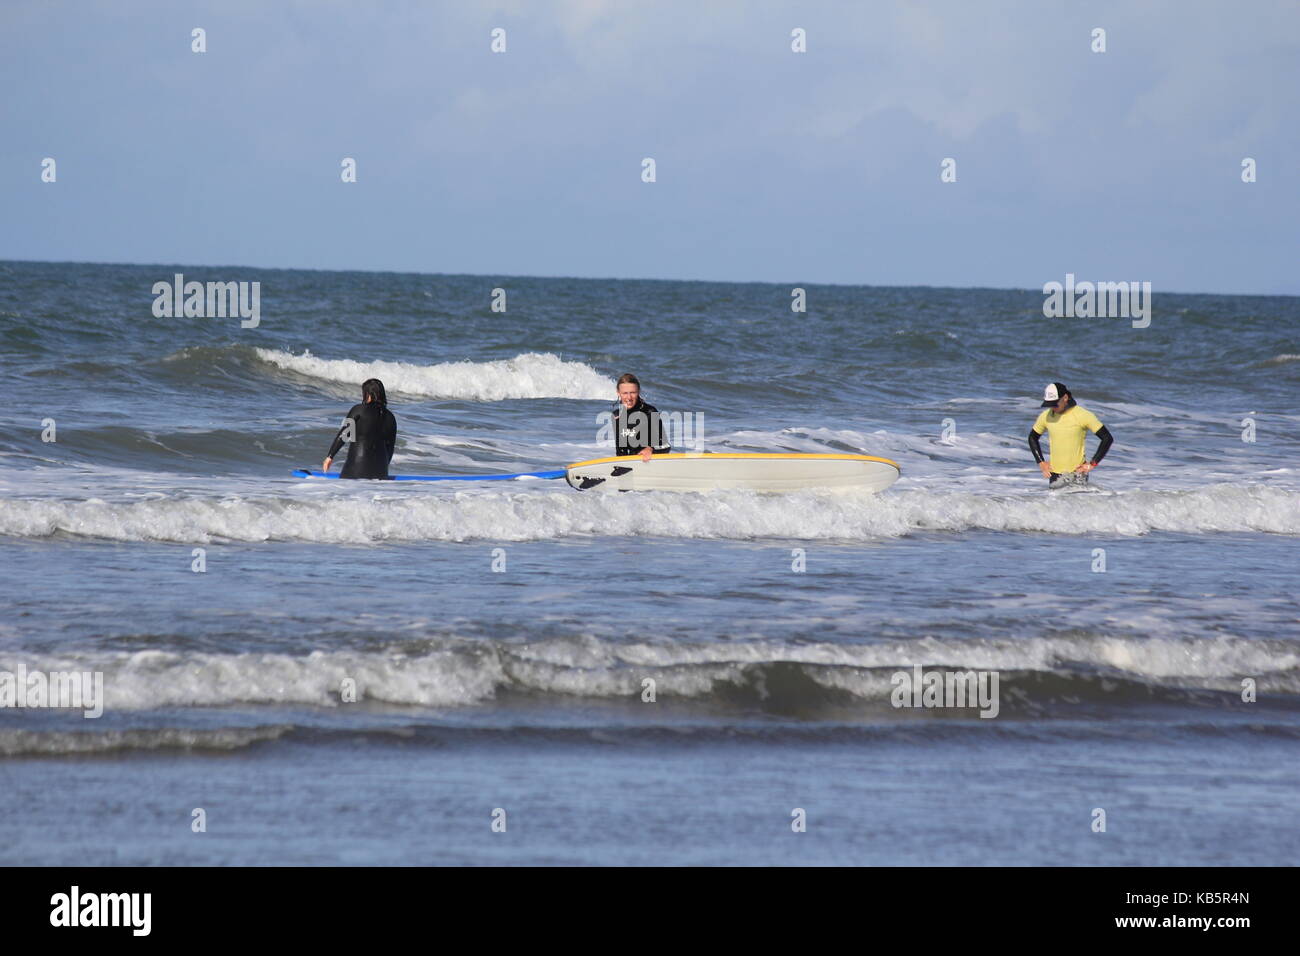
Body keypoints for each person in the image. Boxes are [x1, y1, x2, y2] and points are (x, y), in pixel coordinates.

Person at [1028, 382, 1113, 486]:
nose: (1052, 407)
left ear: (1065, 398)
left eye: (1055, 403)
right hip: (1054, 476)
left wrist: (1092, 464)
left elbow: (1107, 438)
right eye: (1049, 404)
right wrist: (1041, 462)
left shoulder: (1083, 415)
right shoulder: (1046, 416)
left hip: (1077, 475)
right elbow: (1032, 437)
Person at [323, 378, 397, 479]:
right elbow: (390, 448)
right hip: (381, 473)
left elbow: (344, 435)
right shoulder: (391, 417)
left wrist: (330, 457)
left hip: (356, 470)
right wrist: (383, 468)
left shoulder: (358, 410)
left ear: (369, 395)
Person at [612, 373, 671, 461]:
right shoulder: (617, 415)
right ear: (618, 393)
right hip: (634, 464)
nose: (629, 397)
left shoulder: (649, 412)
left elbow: (666, 446)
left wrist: (651, 449)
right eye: (625, 393)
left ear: (638, 391)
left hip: (652, 462)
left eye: (633, 392)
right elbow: (621, 452)